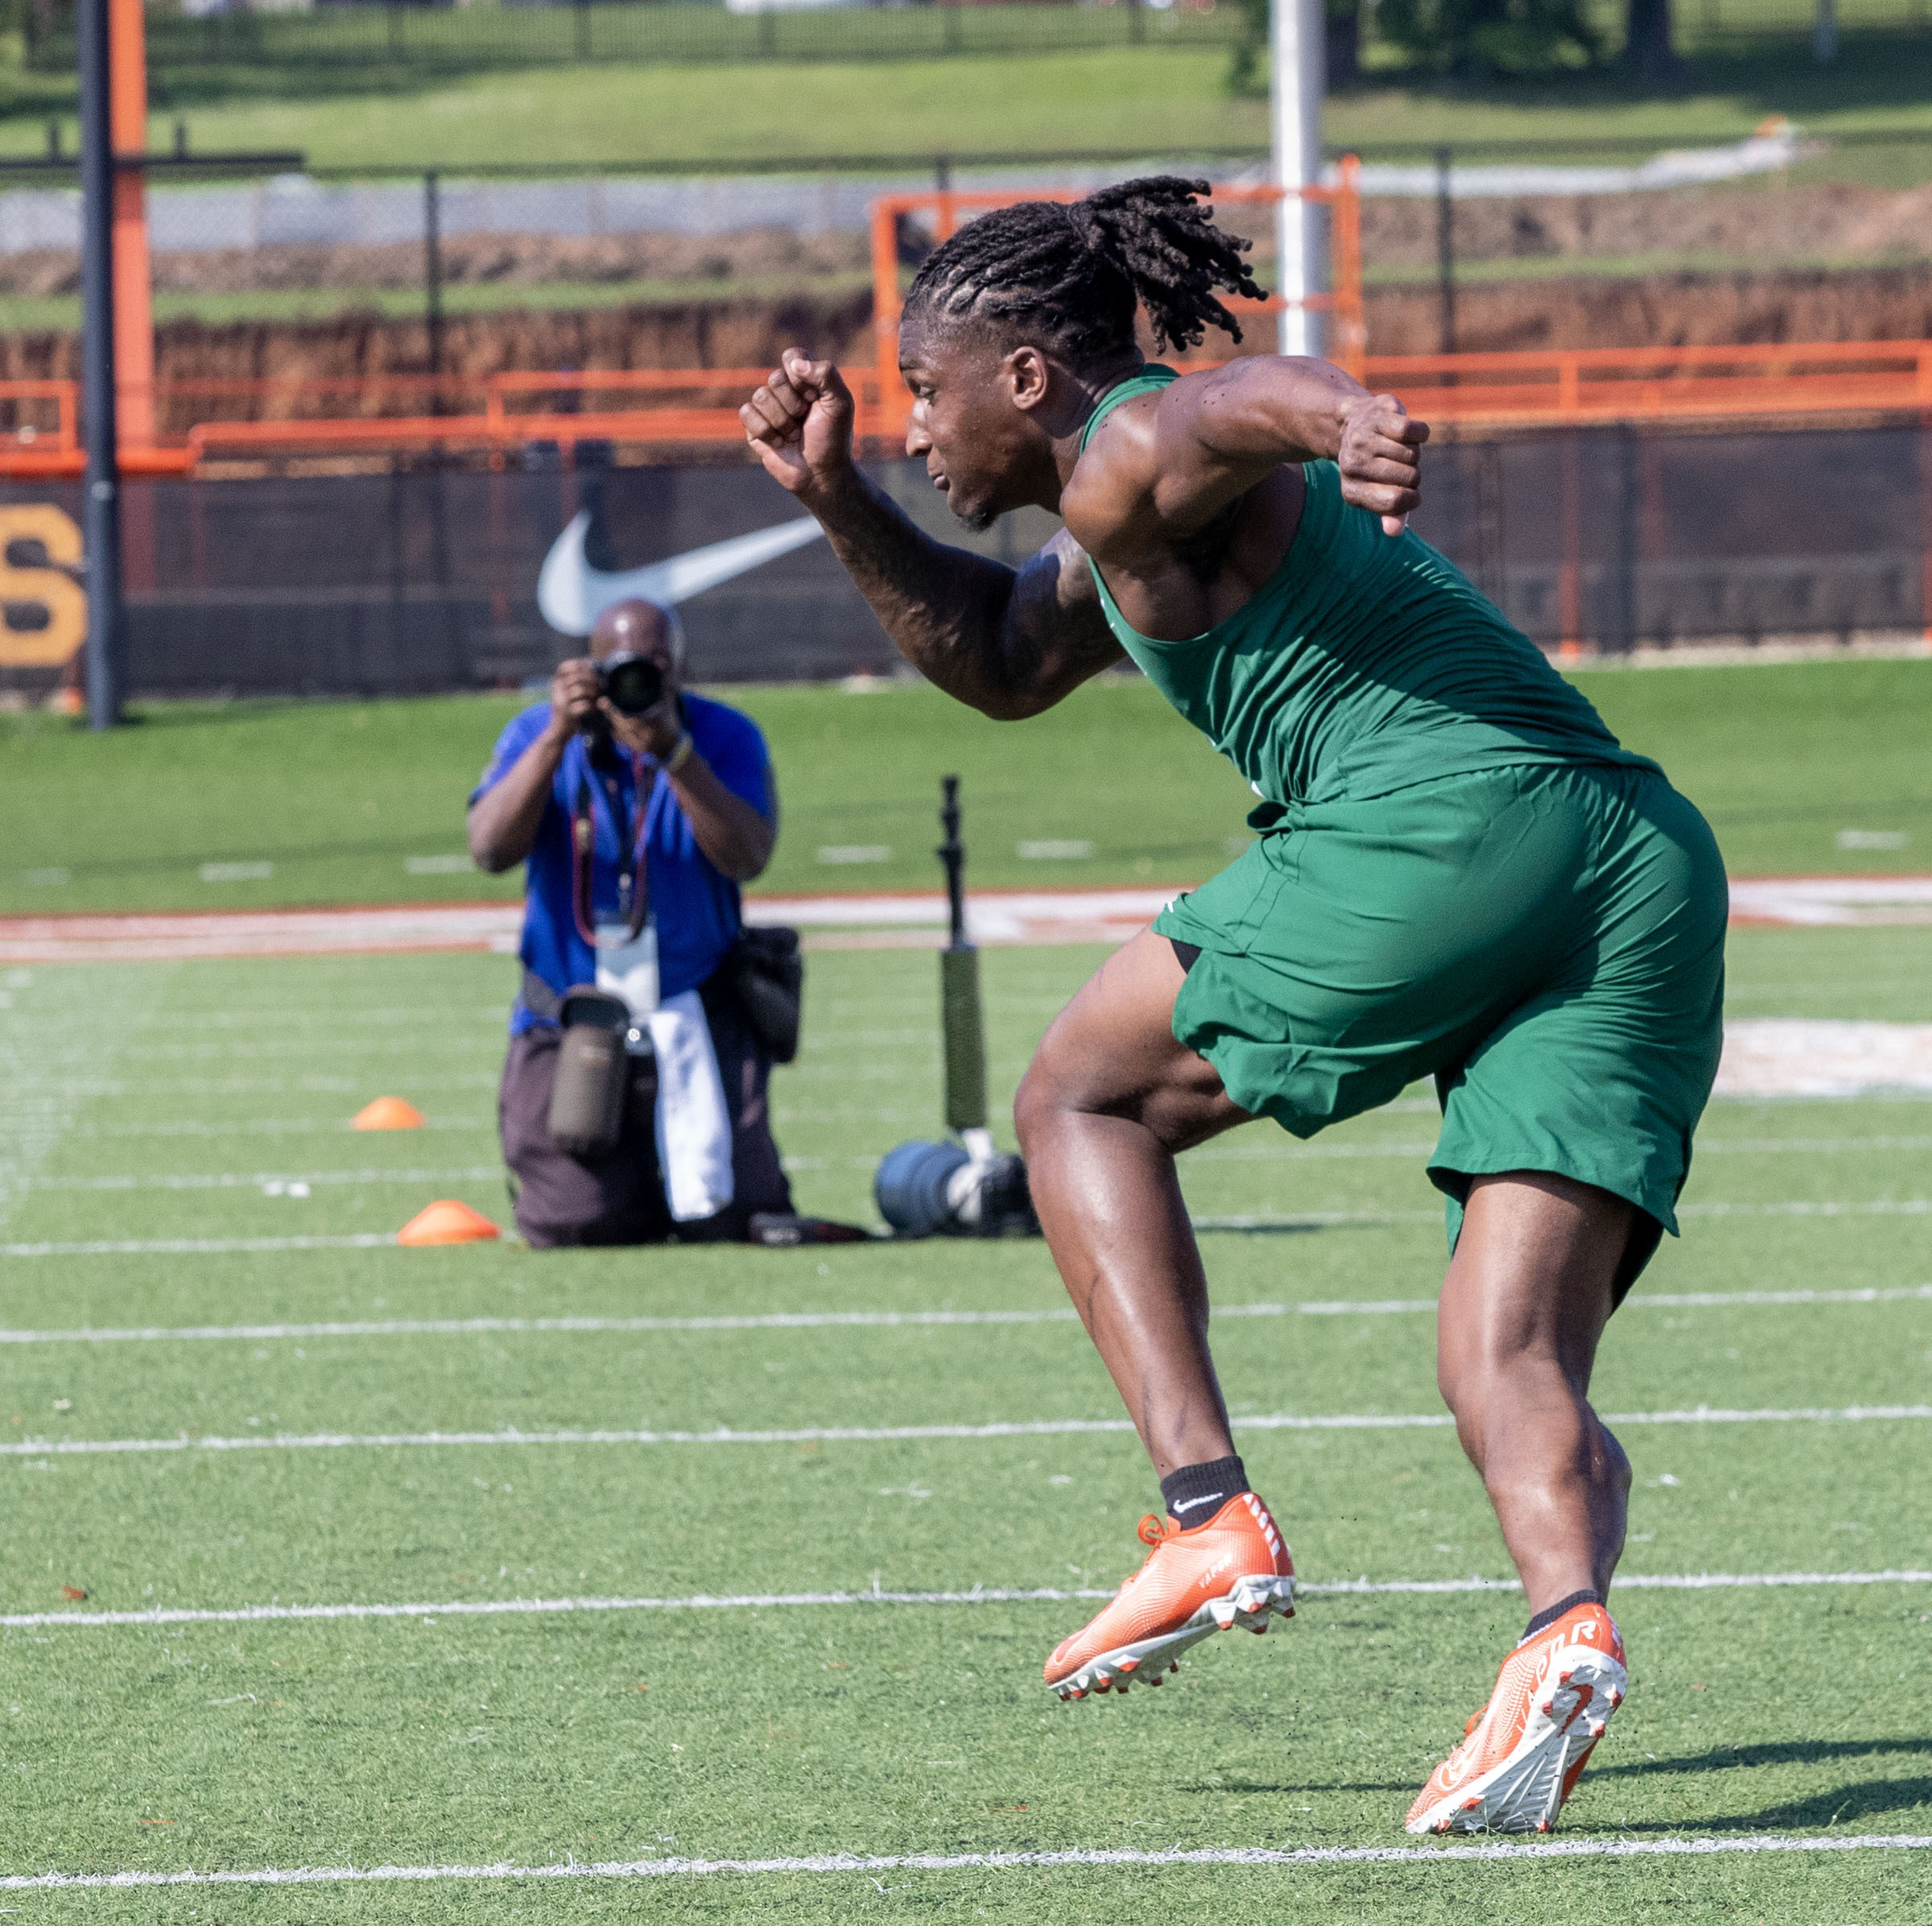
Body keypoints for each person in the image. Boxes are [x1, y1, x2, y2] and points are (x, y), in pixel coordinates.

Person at [738, 177, 1727, 1836]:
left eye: (924, 388)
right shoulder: (1111, 524)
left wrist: (1352, 417)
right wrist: (835, 498)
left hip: (1445, 823)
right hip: (1632, 863)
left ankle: (1208, 1512)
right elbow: (994, 656)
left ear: (1026, 379)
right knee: (1504, 1351)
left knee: (1074, 1100)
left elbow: (1235, 402)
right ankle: (1565, 1630)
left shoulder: (1129, 447)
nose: (912, 427)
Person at [467, 595, 800, 1247]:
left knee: (736, 1219)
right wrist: (557, 737)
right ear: (588, 669)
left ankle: (669, 1181)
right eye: (617, 668)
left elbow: (748, 855)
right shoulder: (537, 732)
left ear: (677, 668)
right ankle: (629, 1186)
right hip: (575, 1017)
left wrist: (677, 756)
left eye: (650, 666)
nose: (634, 684)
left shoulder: (722, 735)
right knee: (575, 1223)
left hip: (695, 1011)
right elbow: (489, 849)